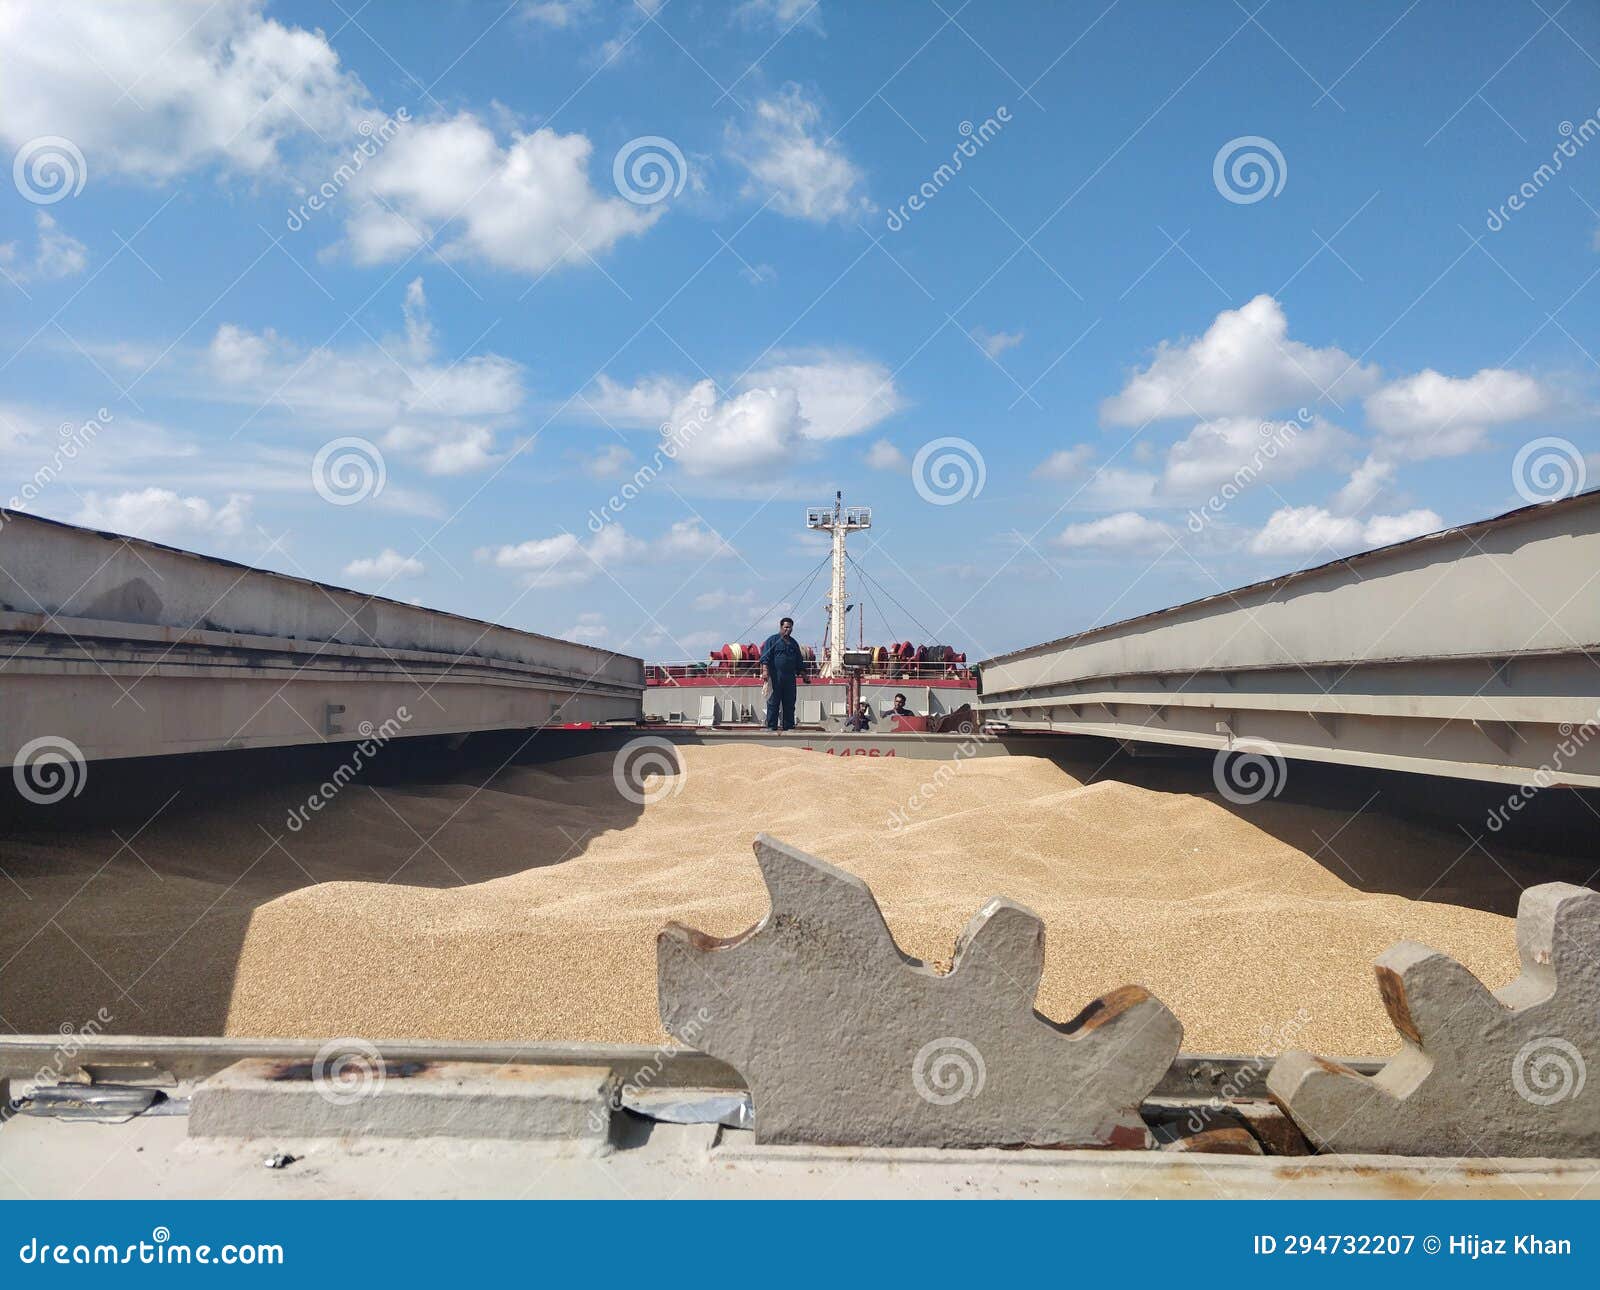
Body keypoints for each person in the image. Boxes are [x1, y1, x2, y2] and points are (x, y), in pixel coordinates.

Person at [759, 616, 805, 731]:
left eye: (790, 628)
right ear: (781, 627)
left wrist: (804, 674)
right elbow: (765, 656)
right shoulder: (772, 640)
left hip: (789, 678)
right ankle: (771, 726)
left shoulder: (793, 643)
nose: (787, 630)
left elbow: (799, 661)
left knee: (789, 702)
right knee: (773, 702)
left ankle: (788, 726)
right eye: (785, 627)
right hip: (775, 677)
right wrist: (765, 671)